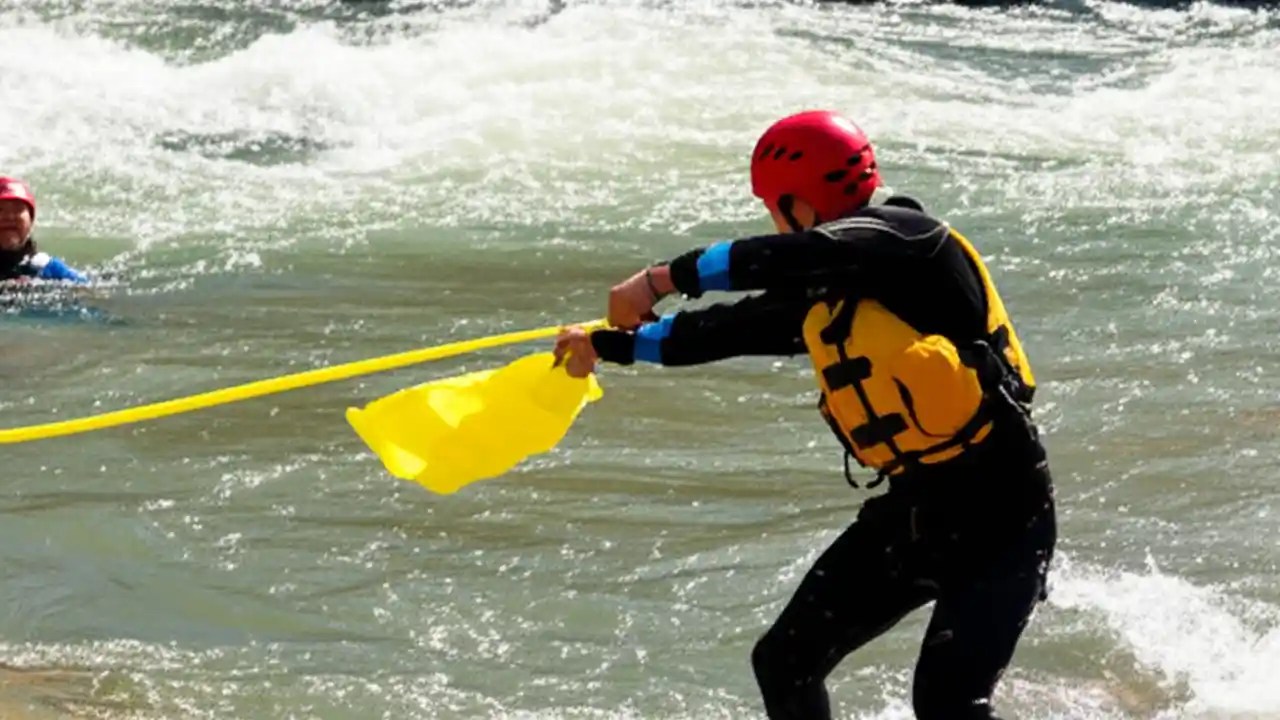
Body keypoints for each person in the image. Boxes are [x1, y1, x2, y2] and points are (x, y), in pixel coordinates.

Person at [552, 110, 1057, 719]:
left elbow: (787, 257)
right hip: (917, 511)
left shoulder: (906, 242)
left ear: (798, 204)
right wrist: (609, 345)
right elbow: (724, 331)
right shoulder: (830, 286)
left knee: (947, 703)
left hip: (1003, 516)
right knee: (785, 660)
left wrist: (663, 278)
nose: (773, 222)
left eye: (774, 207)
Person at [0, 176, 89, 285]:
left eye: (18, 209)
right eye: (0, 209)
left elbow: (92, 294)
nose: (9, 217)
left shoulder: (47, 268)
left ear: (30, 221)